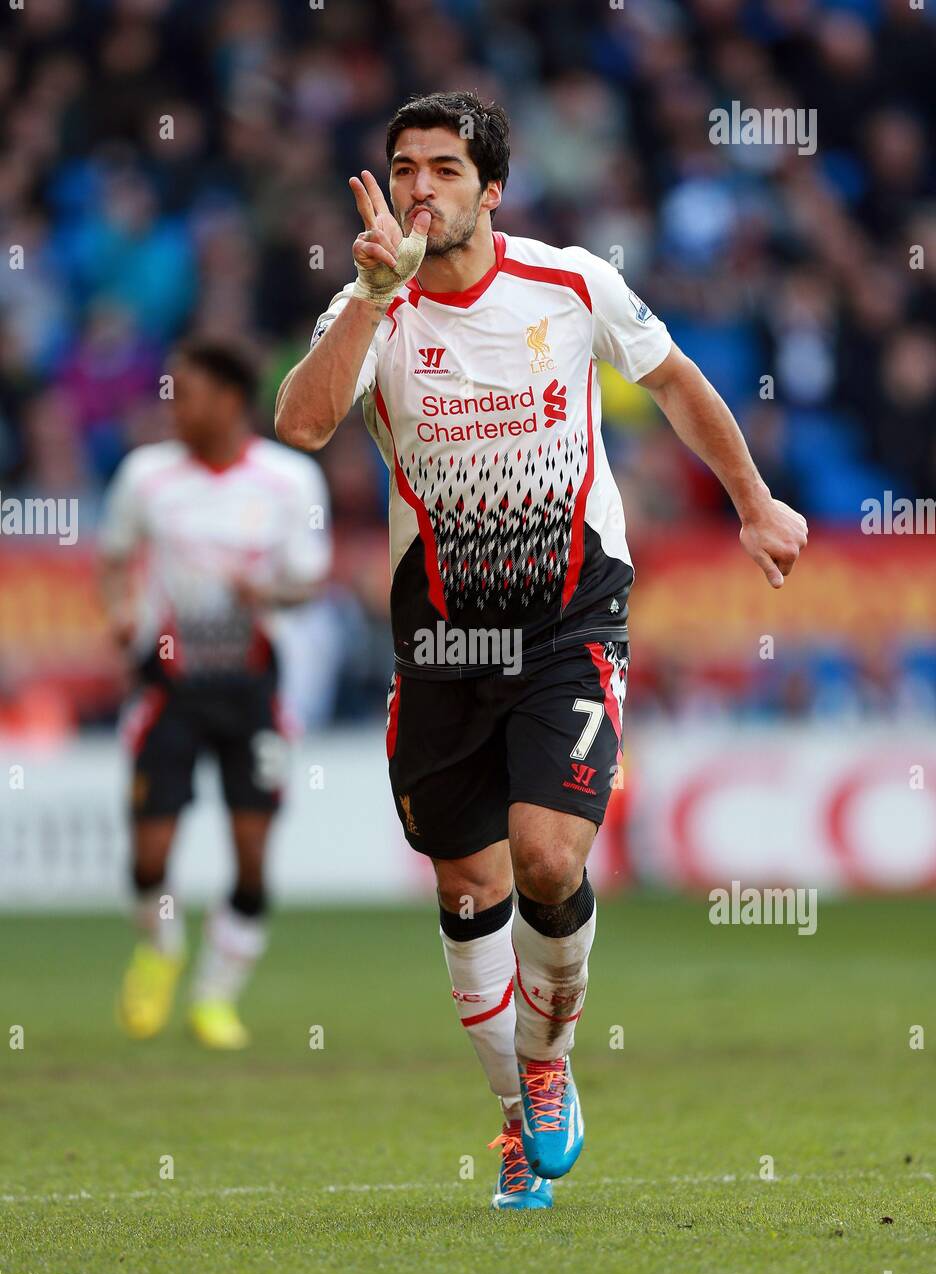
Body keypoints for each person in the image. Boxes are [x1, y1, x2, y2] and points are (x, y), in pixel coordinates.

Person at [275, 92, 807, 1207]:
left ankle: (549, 1060)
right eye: (404, 167)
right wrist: (370, 300)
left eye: (445, 169)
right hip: (439, 637)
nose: (421, 188)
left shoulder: (569, 284)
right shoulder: (372, 305)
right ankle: (513, 1120)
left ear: (491, 189)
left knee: (548, 859)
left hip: (569, 620)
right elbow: (303, 423)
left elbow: (673, 381)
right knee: (468, 890)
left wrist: (754, 501)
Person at [101, 340, 331, 1049]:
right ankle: (161, 947)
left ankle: (216, 996)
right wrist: (119, 610)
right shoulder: (145, 477)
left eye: (185, 393)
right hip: (169, 684)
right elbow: (114, 560)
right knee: (150, 853)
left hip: (253, 688)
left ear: (231, 401)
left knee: (253, 852)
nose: (172, 406)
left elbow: (310, 577)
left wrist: (266, 591)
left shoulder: (288, 481)